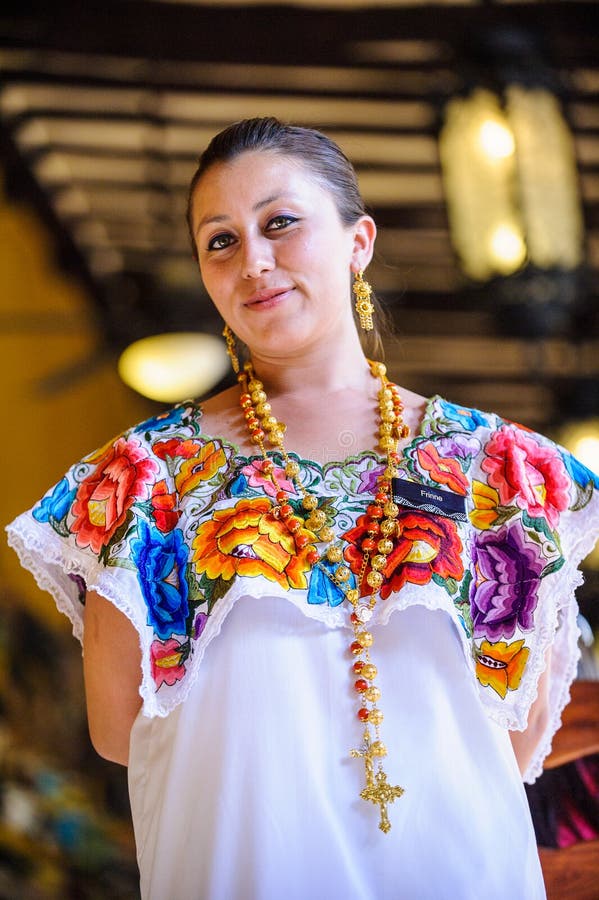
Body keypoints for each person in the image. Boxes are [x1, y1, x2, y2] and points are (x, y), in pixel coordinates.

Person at [6, 116, 599, 900]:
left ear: (359, 241)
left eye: (280, 222)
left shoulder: (505, 474)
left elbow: (519, 733)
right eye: (220, 241)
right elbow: (118, 729)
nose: (253, 260)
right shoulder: (146, 481)